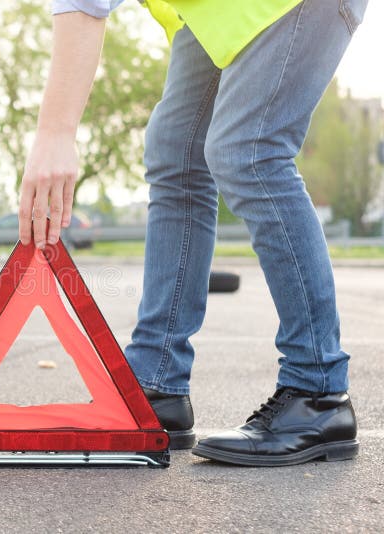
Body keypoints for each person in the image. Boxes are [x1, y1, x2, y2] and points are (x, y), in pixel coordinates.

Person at [19, 0, 367, 466]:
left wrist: (55, 133)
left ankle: (317, 390)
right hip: (222, 12)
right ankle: (155, 386)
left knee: (249, 149)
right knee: (175, 156)